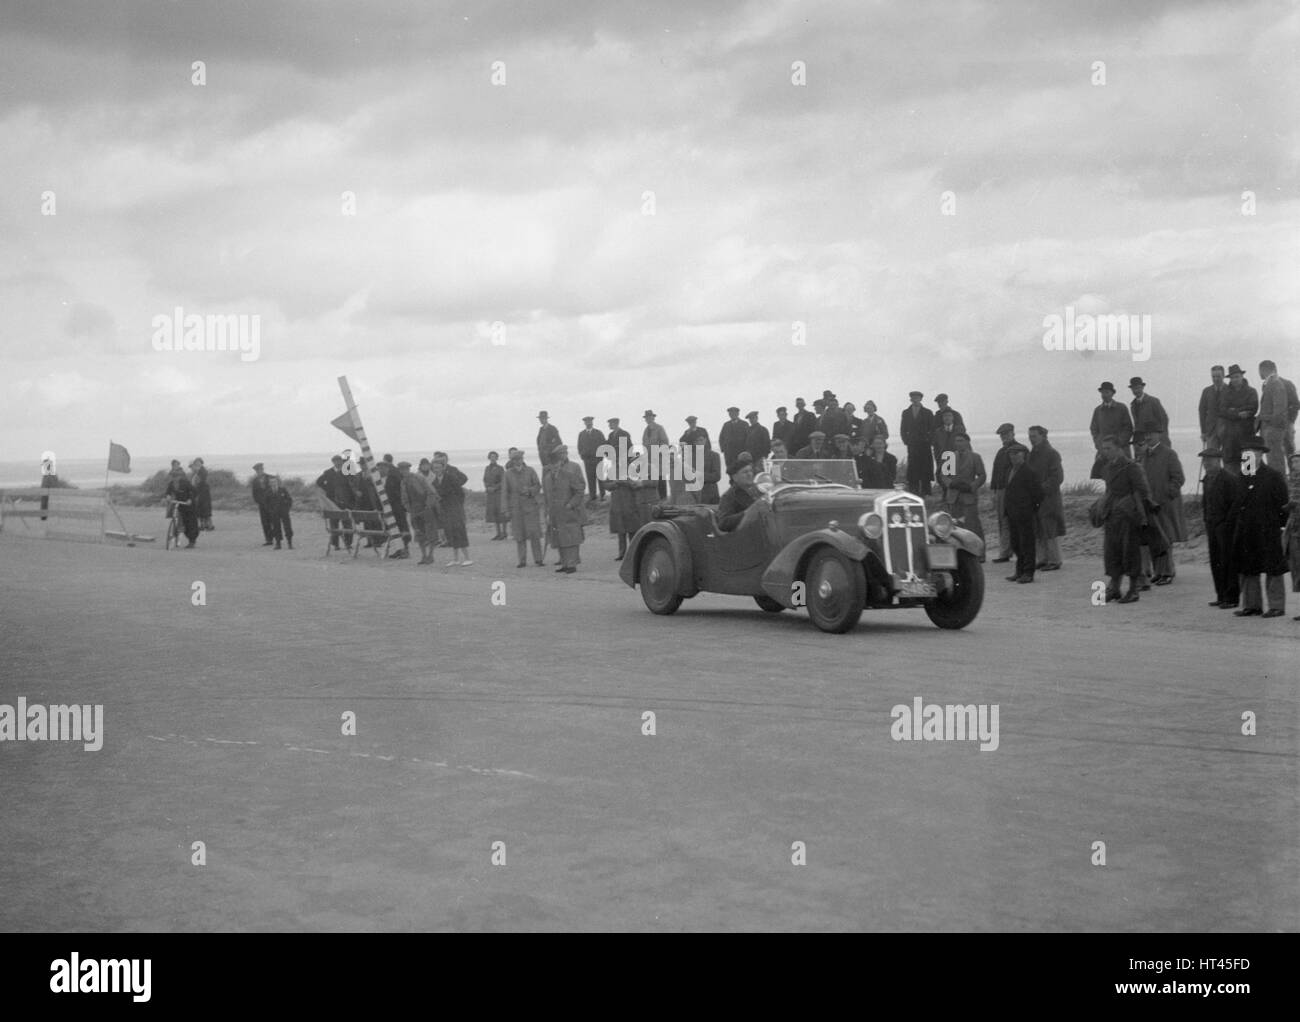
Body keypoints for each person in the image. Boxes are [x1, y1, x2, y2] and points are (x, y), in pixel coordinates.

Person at [1231, 438, 1289, 617]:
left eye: (1252, 452)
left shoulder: (1273, 476)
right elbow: (1237, 502)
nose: (1247, 456)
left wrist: (1280, 526)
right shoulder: (1241, 476)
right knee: (1249, 567)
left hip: (1269, 528)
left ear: (1260, 455)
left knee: (1273, 567)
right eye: (1245, 452)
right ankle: (1252, 605)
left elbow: (1283, 504)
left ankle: (1277, 606)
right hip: (1247, 530)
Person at [1095, 435, 1153, 604]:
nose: (1105, 452)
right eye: (1103, 449)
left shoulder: (1132, 467)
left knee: (1130, 552)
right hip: (1112, 514)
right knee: (1111, 552)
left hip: (1128, 516)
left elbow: (1143, 492)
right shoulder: (1107, 467)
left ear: (1119, 449)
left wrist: (1131, 506)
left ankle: (1134, 589)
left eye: (1109, 448)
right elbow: (1108, 489)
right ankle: (1114, 588)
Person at [1139, 433, 1186, 586]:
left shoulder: (1169, 454)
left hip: (1165, 505)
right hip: (1151, 504)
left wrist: (1168, 494)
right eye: (1146, 434)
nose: (1148, 437)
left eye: (1151, 433)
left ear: (1158, 435)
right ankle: (1158, 572)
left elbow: (1179, 477)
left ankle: (1167, 572)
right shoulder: (1144, 455)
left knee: (1165, 538)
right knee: (1154, 539)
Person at [1198, 448, 1240, 609]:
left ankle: (1232, 597)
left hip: (1225, 527)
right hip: (1211, 525)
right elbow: (1205, 503)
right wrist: (1206, 520)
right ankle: (1221, 595)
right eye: (1204, 461)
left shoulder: (1229, 479)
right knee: (1216, 561)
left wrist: (1228, 524)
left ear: (1218, 460)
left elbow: (1235, 504)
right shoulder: (1207, 479)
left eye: (1209, 460)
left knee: (1228, 561)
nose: (1206, 463)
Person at [937, 432, 986, 555]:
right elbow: (943, 475)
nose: (958, 443)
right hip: (953, 497)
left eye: (961, 441)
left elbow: (982, 475)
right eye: (957, 441)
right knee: (956, 526)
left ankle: (979, 553)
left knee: (973, 525)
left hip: (968, 496)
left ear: (967, 442)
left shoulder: (975, 457)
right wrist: (950, 484)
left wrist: (971, 487)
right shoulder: (950, 457)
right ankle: (961, 554)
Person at [1001, 442, 1042, 584]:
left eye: (1017, 454)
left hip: (1025, 513)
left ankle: (1028, 573)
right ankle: (1019, 571)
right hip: (1012, 513)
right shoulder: (1009, 471)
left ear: (1024, 455)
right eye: (1011, 454)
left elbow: (1038, 494)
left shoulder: (1029, 472)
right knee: (1016, 543)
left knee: (1027, 544)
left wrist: (1031, 509)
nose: (1014, 457)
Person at [1026, 426, 1065, 572]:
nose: (1031, 438)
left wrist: (1041, 489)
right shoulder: (1032, 455)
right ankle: (1042, 559)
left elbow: (1057, 477)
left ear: (1043, 436)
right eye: (1030, 436)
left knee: (1050, 528)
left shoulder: (1052, 454)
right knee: (1038, 529)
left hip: (1049, 498)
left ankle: (1055, 560)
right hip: (1035, 498)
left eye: (1034, 436)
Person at [544, 444, 587, 573]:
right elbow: (546, 498)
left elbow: (580, 490)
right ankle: (565, 564)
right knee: (559, 538)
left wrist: (571, 504)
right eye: (552, 464)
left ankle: (572, 564)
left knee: (572, 538)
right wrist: (547, 513)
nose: (555, 466)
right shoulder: (547, 478)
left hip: (569, 511)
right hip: (555, 514)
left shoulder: (570, 472)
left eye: (557, 463)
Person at [1256, 360, 1300, 476]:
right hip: (1275, 427)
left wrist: (1289, 422)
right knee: (1277, 457)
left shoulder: (1278, 383)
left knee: (1286, 457)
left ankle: (1292, 484)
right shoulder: (1268, 384)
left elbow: (1294, 405)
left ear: (1263, 369)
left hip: (1278, 427)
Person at [502, 449, 544, 568]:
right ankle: (522, 560)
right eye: (515, 459)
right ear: (512, 461)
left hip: (531, 507)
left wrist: (530, 491)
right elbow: (504, 492)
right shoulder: (507, 474)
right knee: (519, 535)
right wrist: (505, 509)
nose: (517, 461)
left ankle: (538, 559)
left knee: (534, 534)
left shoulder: (530, 471)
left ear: (522, 459)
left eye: (519, 459)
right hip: (516, 508)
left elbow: (538, 485)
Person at [431, 453, 471, 567]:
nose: (436, 470)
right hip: (445, 509)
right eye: (434, 468)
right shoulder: (435, 481)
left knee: (459, 531)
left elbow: (460, 493)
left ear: (443, 467)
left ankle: (467, 557)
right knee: (450, 532)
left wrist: (457, 505)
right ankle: (456, 558)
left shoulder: (450, 477)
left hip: (455, 508)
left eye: (438, 467)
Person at [1215, 365, 1258, 473]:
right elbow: (1222, 410)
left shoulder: (1252, 391)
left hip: (1247, 434)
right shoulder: (1225, 393)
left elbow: (1253, 408)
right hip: (1229, 437)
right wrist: (1239, 413)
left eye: (1237, 377)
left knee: (1249, 469)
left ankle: (1249, 489)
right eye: (1233, 377)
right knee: (1230, 467)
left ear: (1242, 376)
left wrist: (1233, 410)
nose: (1235, 379)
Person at [988, 423, 1017, 564]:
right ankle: (1005, 551)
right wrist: (994, 490)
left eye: (1006, 434)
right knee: (1002, 520)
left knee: (1010, 521)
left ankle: (1007, 551)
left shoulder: (1018, 450)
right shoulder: (1001, 452)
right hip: (1000, 490)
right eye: (1002, 435)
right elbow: (996, 472)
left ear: (1013, 433)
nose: (1004, 437)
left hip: (1012, 490)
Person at [1090, 381, 1134, 471]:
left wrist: (1118, 444)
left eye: (1107, 392)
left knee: (1125, 474)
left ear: (1112, 393)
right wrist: (1099, 444)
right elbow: (1094, 429)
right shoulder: (1098, 410)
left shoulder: (1122, 408)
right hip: (1104, 451)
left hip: (1121, 450)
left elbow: (1128, 428)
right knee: (1106, 476)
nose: (1104, 395)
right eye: (1102, 392)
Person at [314, 455, 354, 552]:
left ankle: (348, 543)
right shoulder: (328, 472)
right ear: (333, 462)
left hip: (345, 501)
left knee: (347, 524)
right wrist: (327, 489)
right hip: (333, 502)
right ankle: (335, 544)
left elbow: (352, 484)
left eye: (339, 461)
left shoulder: (347, 471)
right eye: (336, 461)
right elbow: (319, 482)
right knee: (334, 524)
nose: (338, 463)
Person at [399, 461, 435, 565]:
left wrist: (428, 506)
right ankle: (424, 555)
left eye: (405, 469)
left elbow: (430, 492)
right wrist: (409, 509)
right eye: (402, 469)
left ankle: (431, 555)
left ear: (409, 469)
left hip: (425, 508)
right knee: (419, 534)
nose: (403, 471)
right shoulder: (403, 482)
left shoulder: (418, 478)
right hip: (414, 510)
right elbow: (404, 498)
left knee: (430, 533)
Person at [899, 391, 935, 496]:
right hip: (912, 445)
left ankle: (926, 492)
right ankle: (913, 491)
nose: (915, 399)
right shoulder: (906, 412)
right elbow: (903, 428)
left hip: (924, 444)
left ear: (921, 399)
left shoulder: (928, 412)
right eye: (913, 397)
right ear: (910, 399)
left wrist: (929, 440)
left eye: (917, 397)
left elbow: (932, 429)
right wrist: (906, 441)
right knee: (913, 467)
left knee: (925, 467)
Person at [1128, 377, 1169, 464]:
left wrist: (1161, 437)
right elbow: (1137, 425)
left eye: (1138, 388)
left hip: (1154, 439)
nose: (1136, 390)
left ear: (1142, 388)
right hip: (1140, 442)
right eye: (1134, 388)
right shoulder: (1133, 405)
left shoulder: (1153, 401)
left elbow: (1163, 419)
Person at [377, 460, 411, 558]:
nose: (381, 470)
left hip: (397, 509)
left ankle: (405, 550)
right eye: (379, 468)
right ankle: (397, 549)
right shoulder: (377, 480)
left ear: (388, 469)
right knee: (392, 530)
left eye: (383, 468)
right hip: (386, 510)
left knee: (402, 529)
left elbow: (400, 493)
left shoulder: (394, 479)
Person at [715, 460, 759, 531]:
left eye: (750, 471)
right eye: (745, 472)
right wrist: (747, 513)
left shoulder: (759, 489)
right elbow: (723, 523)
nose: (749, 474)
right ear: (735, 477)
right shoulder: (729, 496)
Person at [165, 465, 199, 548]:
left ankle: (192, 541)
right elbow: (167, 492)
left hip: (189, 505)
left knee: (191, 524)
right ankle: (176, 534)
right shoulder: (171, 484)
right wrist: (168, 496)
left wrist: (190, 499)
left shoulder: (185, 483)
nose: (174, 478)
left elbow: (194, 491)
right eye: (173, 476)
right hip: (180, 504)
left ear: (179, 476)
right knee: (182, 522)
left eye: (176, 476)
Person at [642, 410, 670, 499]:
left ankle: (663, 498)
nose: (648, 419)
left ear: (653, 418)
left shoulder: (659, 428)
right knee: (652, 479)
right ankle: (655, 499)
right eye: (646, 418)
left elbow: (665, 442)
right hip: (649, 460)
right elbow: (644, 444)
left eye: (650, 417)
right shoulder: (646, 430)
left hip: (659, 459)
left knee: (661, 479)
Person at [577, 416, 607, 501]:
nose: (588, 423)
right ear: (584, 423)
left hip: (598, 460)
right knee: (590, 478)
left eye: (589, 421)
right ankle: (592, 496)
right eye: (586, 422)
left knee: (601, 478)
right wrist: (583, 456)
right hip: (588, 461)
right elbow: (579, 447)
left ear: (592, 422)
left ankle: (603, 495)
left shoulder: (598, 433)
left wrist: (602, 457)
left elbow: (604, 445)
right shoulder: (581, 434)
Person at [1286, 453, 1300, 619]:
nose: (1295, 463)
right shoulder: (1292, 479)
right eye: (1293, 461)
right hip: (1294, 527)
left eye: (1298, 461)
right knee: (1297, 570)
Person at [1198, 365, 1226, 448]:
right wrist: (1203, 431)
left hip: (1226, 431)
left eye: (1218, 376)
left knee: (1228, 458)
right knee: (1211, 458)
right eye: (1213, 376)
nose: (1216, 379)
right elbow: (1202, 412)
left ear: (1223, 376)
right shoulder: (1206, 391)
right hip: (1211, 431)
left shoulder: (1230, 390)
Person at [931, 409, 960, 486]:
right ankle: (945, 494)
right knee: (942, 478)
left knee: (955, 478)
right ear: (942, 418)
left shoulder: (959, 430)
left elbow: (965, 444)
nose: (947, 418)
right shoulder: (938, 431)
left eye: (949, 416)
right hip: (943, 458)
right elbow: (935, 446)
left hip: (956, 458)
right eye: (945, 416)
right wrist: (937, 457)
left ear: (953, 418)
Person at [483, 451, 508, 540]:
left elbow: (503, 480)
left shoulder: (500, 468)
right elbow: (485, 479)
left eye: (494, 457)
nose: (493, 458)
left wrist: (495, 487)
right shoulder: (487, 468)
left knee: (501, 512)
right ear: (489, 458)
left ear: (497, 458)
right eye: (491, 457)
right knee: (494, 513)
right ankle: (498, 533)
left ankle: (504, 533)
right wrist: (487, 487)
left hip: (498, 493)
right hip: (490, 494)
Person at [251, 462, 275, 546]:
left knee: (273, 521)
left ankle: (276, 536)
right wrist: (259, 502)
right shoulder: (254, 481)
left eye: (260, 470)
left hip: (271, 504)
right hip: (262, 504)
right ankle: (269, 540)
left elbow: (275, 491)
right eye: (257, 470)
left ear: (263, 469)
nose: (259, 471)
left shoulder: (271, 478)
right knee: (265, 522)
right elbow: (254, 494)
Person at [267, 475, 293, 550]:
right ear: (269, 483)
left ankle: (290, 543)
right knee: (276, 528)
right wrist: (270, 511)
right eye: (271, 482)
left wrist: (286, 509)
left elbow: (289, 500)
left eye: (275, 481)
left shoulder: (283, 490)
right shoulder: (268, 492)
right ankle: (278, 544)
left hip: (284, 512)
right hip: (274, 513)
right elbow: (266, 503)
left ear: (277, 482)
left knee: (288, 527)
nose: (273, 483)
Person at [190, 458, 213, 531]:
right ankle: (203, 525)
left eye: (198, 462)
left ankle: (209, 525)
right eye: (196, 463)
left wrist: (195, 490)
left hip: (203, 492)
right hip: (200, 492)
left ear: (201, 463)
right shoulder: (198, 472)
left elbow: (201, 482)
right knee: (201, 510)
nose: (197, 464)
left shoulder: (202, 471)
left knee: (205, 510)